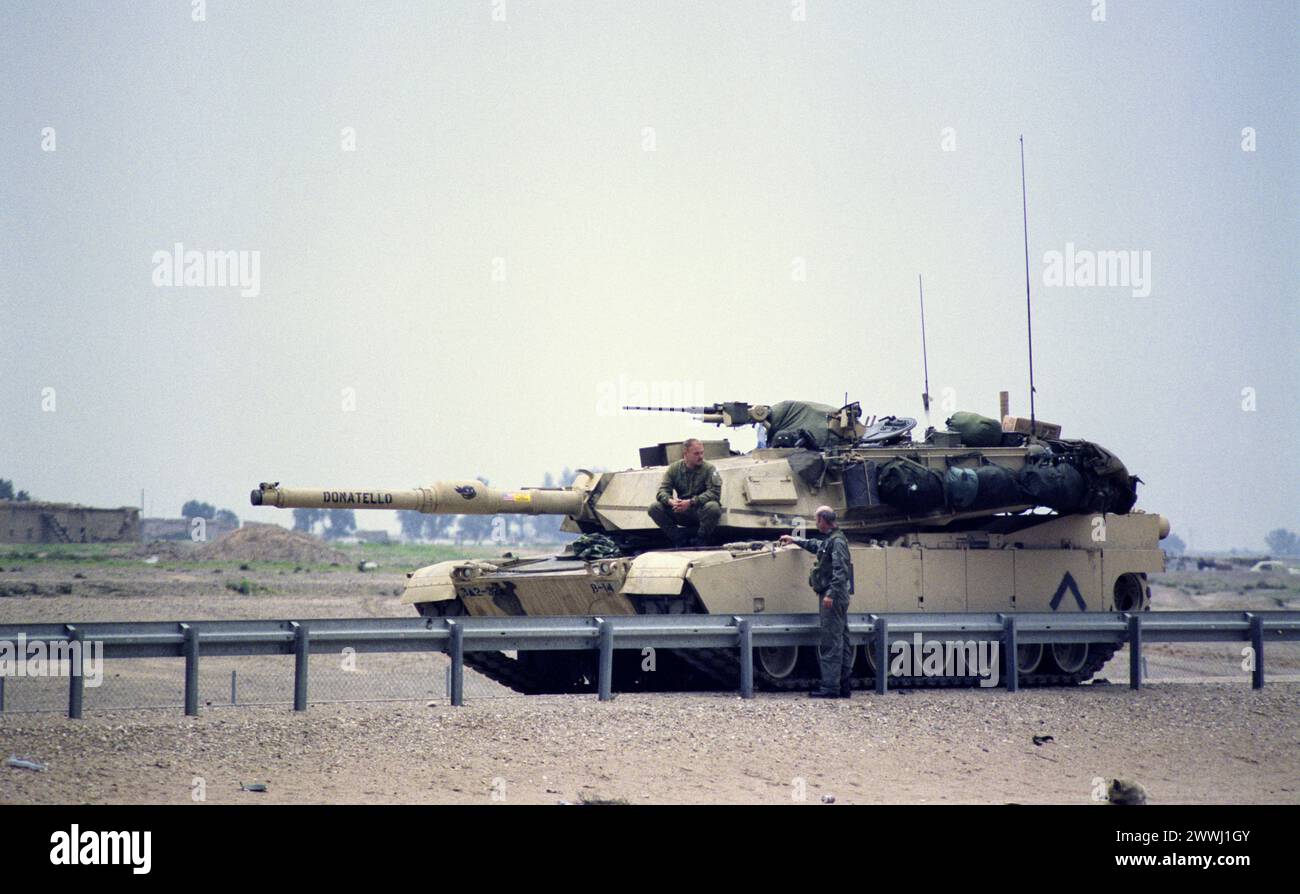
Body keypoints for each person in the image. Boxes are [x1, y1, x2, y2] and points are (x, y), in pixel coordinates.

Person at [780, 506, 855, 698]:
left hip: (833, 596)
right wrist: (795, 539)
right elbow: (817, 545)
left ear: (823, 520)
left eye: (816, 520)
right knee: (842, 640)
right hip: (837, 594)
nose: (815, 523)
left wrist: (830, 594)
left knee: (831, 641)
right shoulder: (833, 539)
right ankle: (843, 685)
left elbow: (841, 570)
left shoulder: (837, 542)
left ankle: (830, 688)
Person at [648, 438, 722, 547]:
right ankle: (679, 540)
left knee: (713, 507)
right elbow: (662, 491)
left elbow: (714, 493)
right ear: (685, 453)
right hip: (681, 510)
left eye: (702, 452)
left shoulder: (709, 469)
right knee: (654, 508)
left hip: (700, 510)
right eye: (696, 453)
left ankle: (701, 539)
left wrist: (691, 502)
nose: (700, 456)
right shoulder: (674, 468)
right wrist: (671, 501)